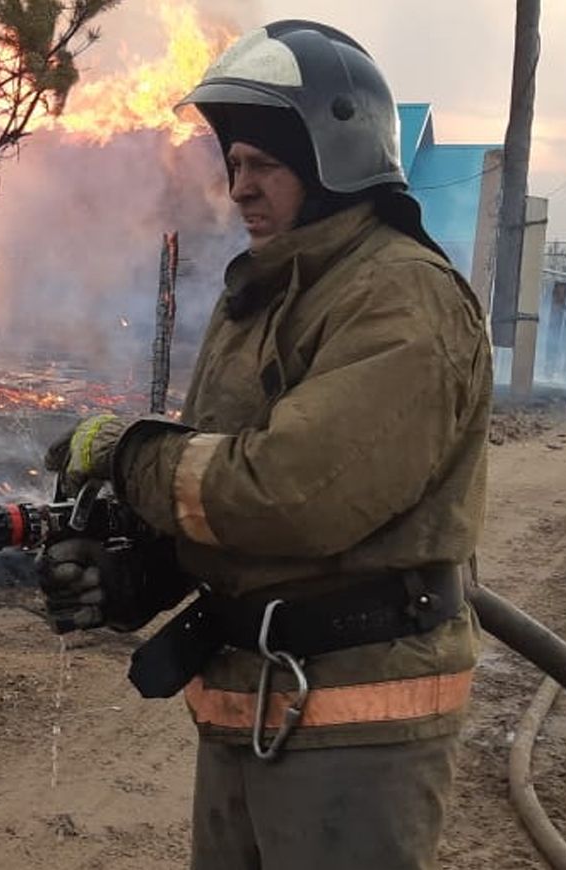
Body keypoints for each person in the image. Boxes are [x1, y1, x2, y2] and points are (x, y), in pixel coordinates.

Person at [35, 20, 489, 870]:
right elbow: (223, 481)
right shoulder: (265, 295)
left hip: (357, 719)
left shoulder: (400, 298)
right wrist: (138, 573)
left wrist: (129, 455)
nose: (239, 187)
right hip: (253, 700)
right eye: (234, 164)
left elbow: (293, 494)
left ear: (333, 162)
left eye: (264, 165)